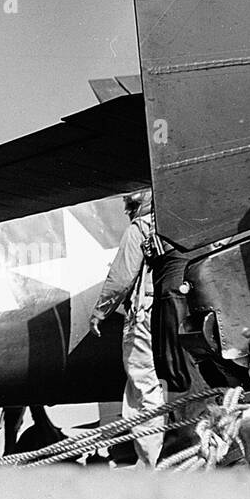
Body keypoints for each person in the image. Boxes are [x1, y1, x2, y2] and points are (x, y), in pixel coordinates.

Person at [88, 189, 172, 466]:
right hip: (175, 320)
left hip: (145, 317)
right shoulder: (180, 225)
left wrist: (100, 312)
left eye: (132, 204)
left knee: (143, 393)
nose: (128, 211)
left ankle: (151, 466)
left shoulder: (141, 228)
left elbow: (122, 277)